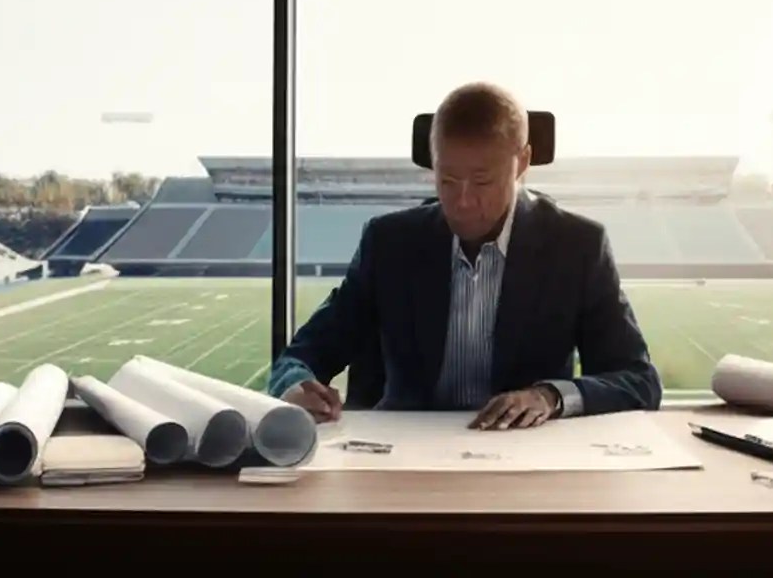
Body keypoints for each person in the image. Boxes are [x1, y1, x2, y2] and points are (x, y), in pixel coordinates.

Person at [267, 81, 662, 430]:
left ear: (522, 162)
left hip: (524, 460)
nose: (464, 202)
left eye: (483, 181)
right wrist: (294, 386)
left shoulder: (577, 246)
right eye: (447, 180)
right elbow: (301, 357)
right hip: (402, 461)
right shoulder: (389, 242)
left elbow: (637, 379)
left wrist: (549, 397)